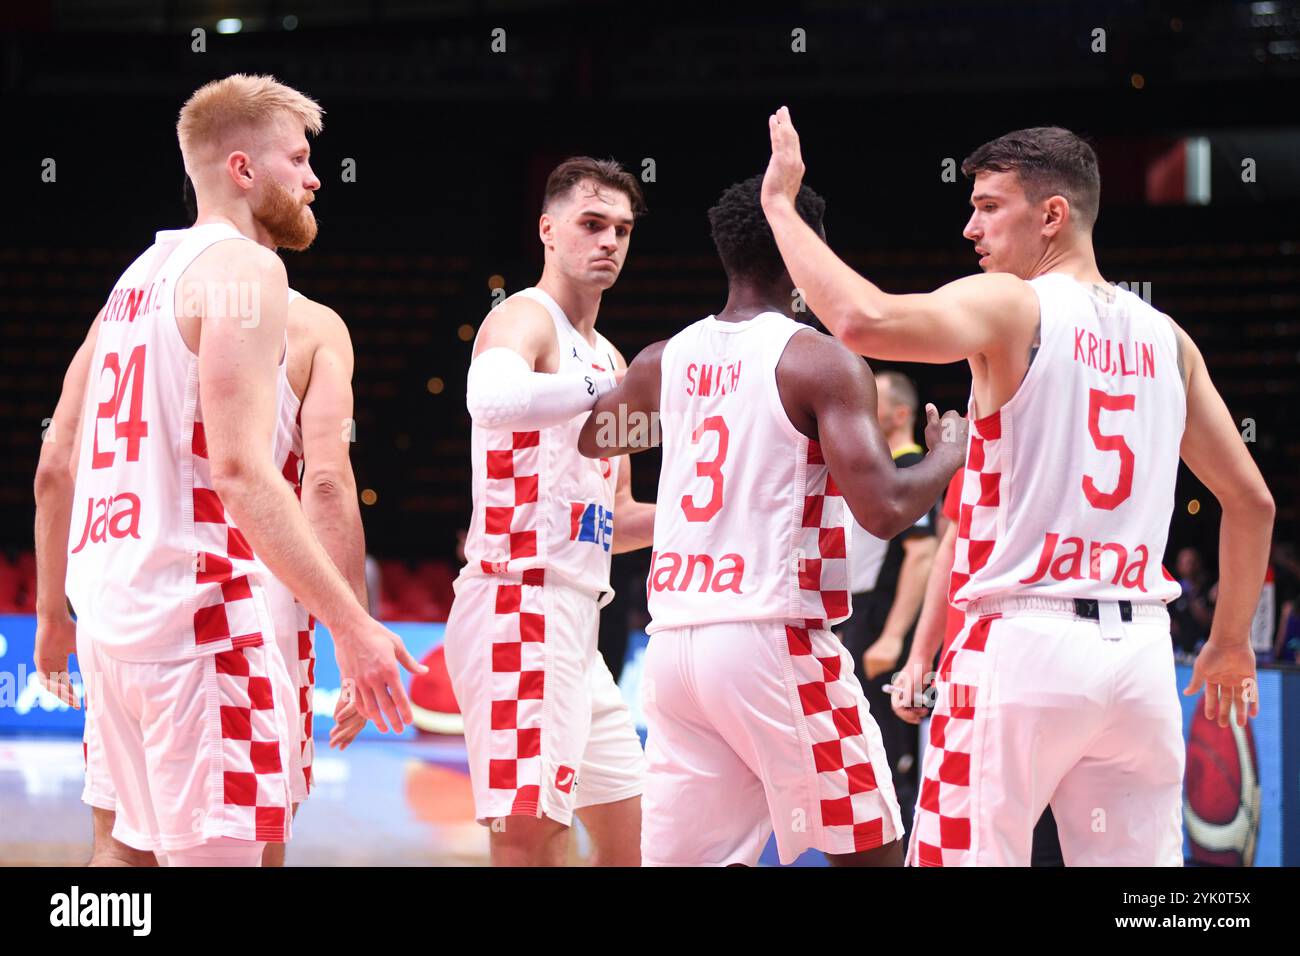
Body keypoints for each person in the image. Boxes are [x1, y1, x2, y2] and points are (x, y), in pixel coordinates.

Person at [762, 108, 1274, 865]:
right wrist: (1230, 642)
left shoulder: (1013, 304)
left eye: (988, 207)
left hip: (1022, 642)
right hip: (1138, 657)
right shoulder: (1171, 339)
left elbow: (862, 322)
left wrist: (780, 204)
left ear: (1053, 215)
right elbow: (1252, 502)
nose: (971, 229)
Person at [32, 74, 421, 867]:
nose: (315, 179)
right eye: (300, 158)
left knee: (122, 859)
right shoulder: (250, 273)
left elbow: (54, 464)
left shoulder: (129, 287)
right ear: (243, 170)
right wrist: (351, 625)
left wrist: (51, 617)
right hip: (209, 624)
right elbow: (268, 476)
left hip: (113, 620)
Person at [579, 174, 966, 866]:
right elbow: (884, 511)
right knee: (871, 846)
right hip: (771, 634)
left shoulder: (662, 360)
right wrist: (946, 456)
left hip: (674, 646)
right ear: (805, 249)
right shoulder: (819, 361)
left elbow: (596, 438)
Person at [443, 157, 655, 866]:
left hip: (577, 621)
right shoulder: (524, 318)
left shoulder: (613, 357)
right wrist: (603, 388)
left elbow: (617, 518)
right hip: (517, 605)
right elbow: (491, 399)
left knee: (637, 841)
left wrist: (714, 515)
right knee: (535, 845)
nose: (609, 242)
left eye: (622, 229)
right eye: (592, 224)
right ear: (548, 230)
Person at [839, 370, 939, 836]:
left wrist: (893, 637)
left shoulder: (912, 467)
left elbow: (923, 555)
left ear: (900, 414)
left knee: (896, 757)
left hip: (888, 631)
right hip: (865, 624)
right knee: (871, 751)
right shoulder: (878, 469)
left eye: (872, 397)